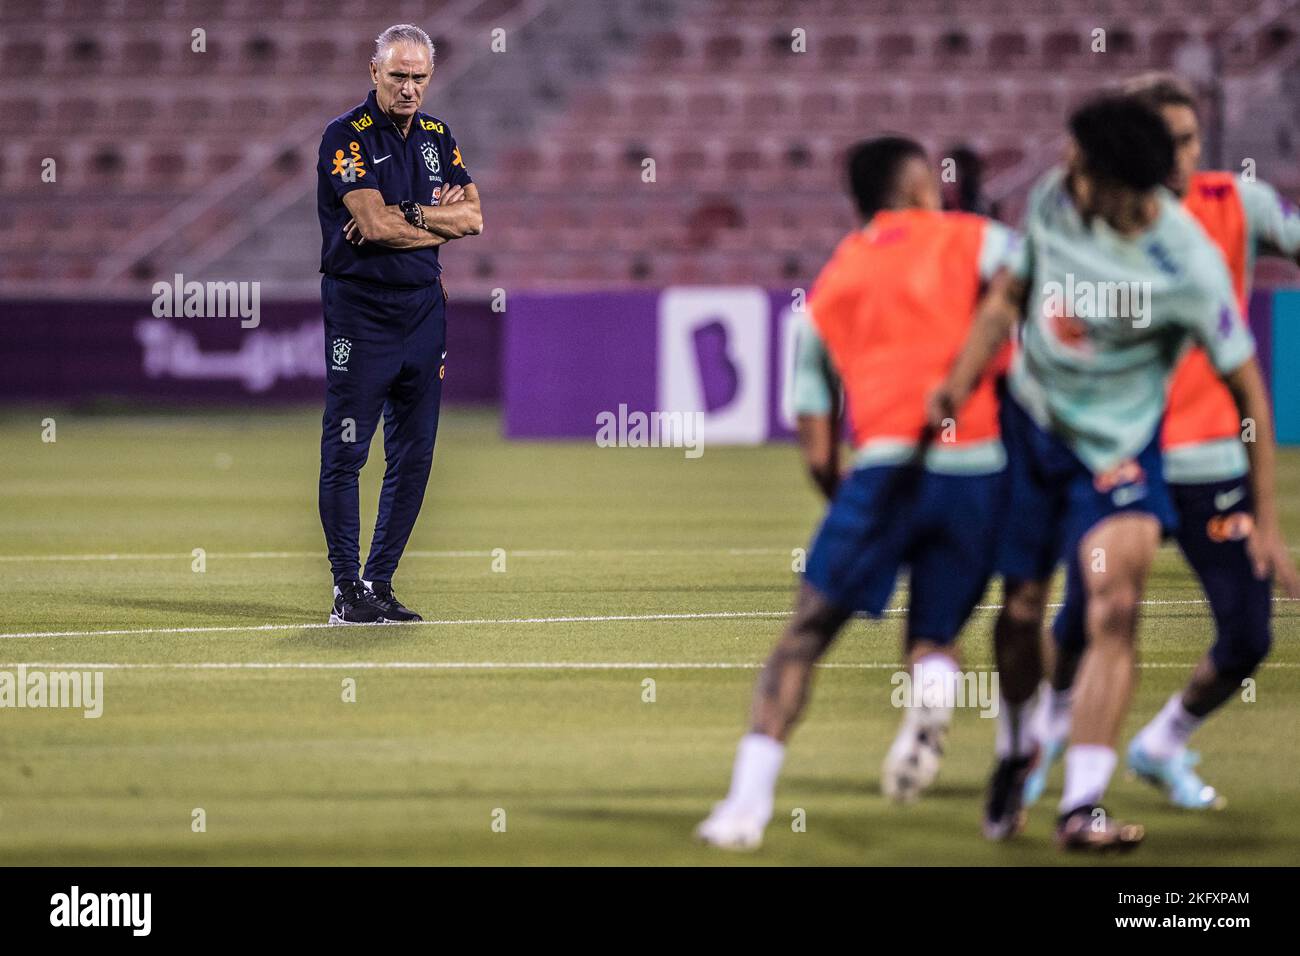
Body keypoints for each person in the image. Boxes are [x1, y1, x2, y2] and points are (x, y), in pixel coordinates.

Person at [929, 94, 1288, 850]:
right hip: (1034, 429)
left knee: (1113, 607)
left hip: (1121, 449)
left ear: (1125, 185)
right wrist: (956, 387)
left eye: (1083, 163)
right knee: (1022, 615)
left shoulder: (1187, 264)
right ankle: (1016, 745)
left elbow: (1249, 388)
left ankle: (1082, 804)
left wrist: (1271, 523)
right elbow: (1009, 300)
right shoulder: (1056, 200)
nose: (1067, 167)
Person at [696, 136, 1017, 849]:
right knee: (935, 636)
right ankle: (932, 697)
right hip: (979, 470)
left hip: (883, 469)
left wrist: (850, 499)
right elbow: (1033, 283)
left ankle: (745, 809)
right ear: (921, 185)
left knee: (803, 638)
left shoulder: (834, 283)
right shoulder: (977, 239)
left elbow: (816, 447)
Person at [1025, 73, 1300, 810]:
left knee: (1249, 639)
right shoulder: (1085, 218)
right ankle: (1047, 737)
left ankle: (1161, 742)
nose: (1179, 157)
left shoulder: (1237, 205)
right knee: (1085, 621)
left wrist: (1269, 523)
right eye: (1164, 141)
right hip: (1125, 453)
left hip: (1213, 463)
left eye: (1189, 140)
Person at [316, 24, 481, 624]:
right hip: (361, 312)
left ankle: (377, 583)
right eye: (398, 76)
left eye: (419, 77)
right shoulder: (346, 137)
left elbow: (474, 219)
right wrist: (434, 223)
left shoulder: (439, 138)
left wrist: (408, 213)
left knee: (414, 455)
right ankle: (344, 588)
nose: (409, 87)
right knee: (347, 451)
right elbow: (373, 226)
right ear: (374, 73)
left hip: (424, 311)